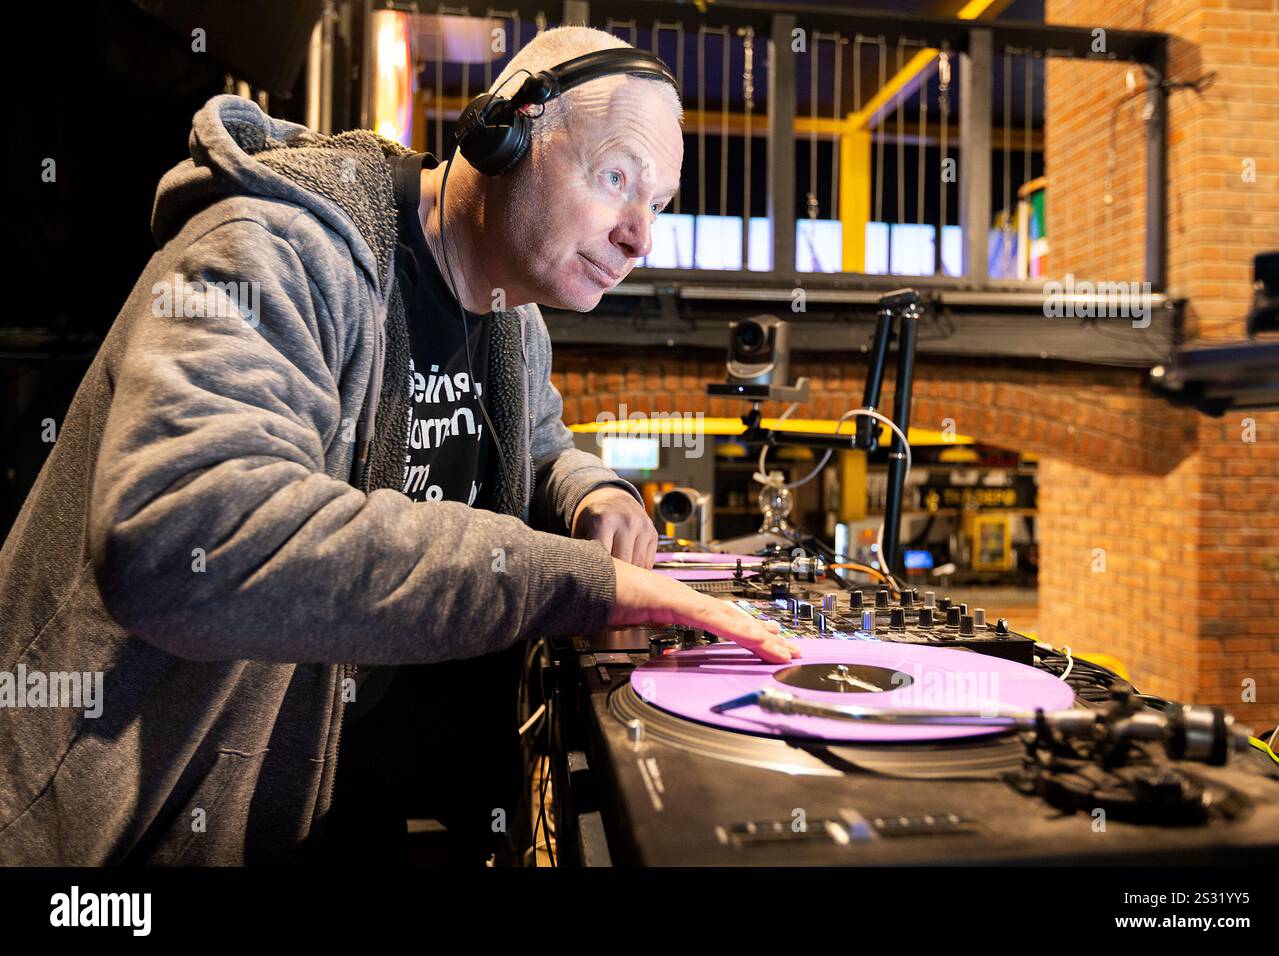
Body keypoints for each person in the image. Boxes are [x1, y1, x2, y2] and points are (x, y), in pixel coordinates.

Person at [0, 26, 797, 866]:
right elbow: (183, 535)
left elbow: (534, 448)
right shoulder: (272, 247)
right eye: (614, 179)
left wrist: (590, 491)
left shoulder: (512, 319)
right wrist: (576, 584)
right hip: (121, 833)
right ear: (505, 134)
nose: (641, 237)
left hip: (339, 797)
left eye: (659, 204)